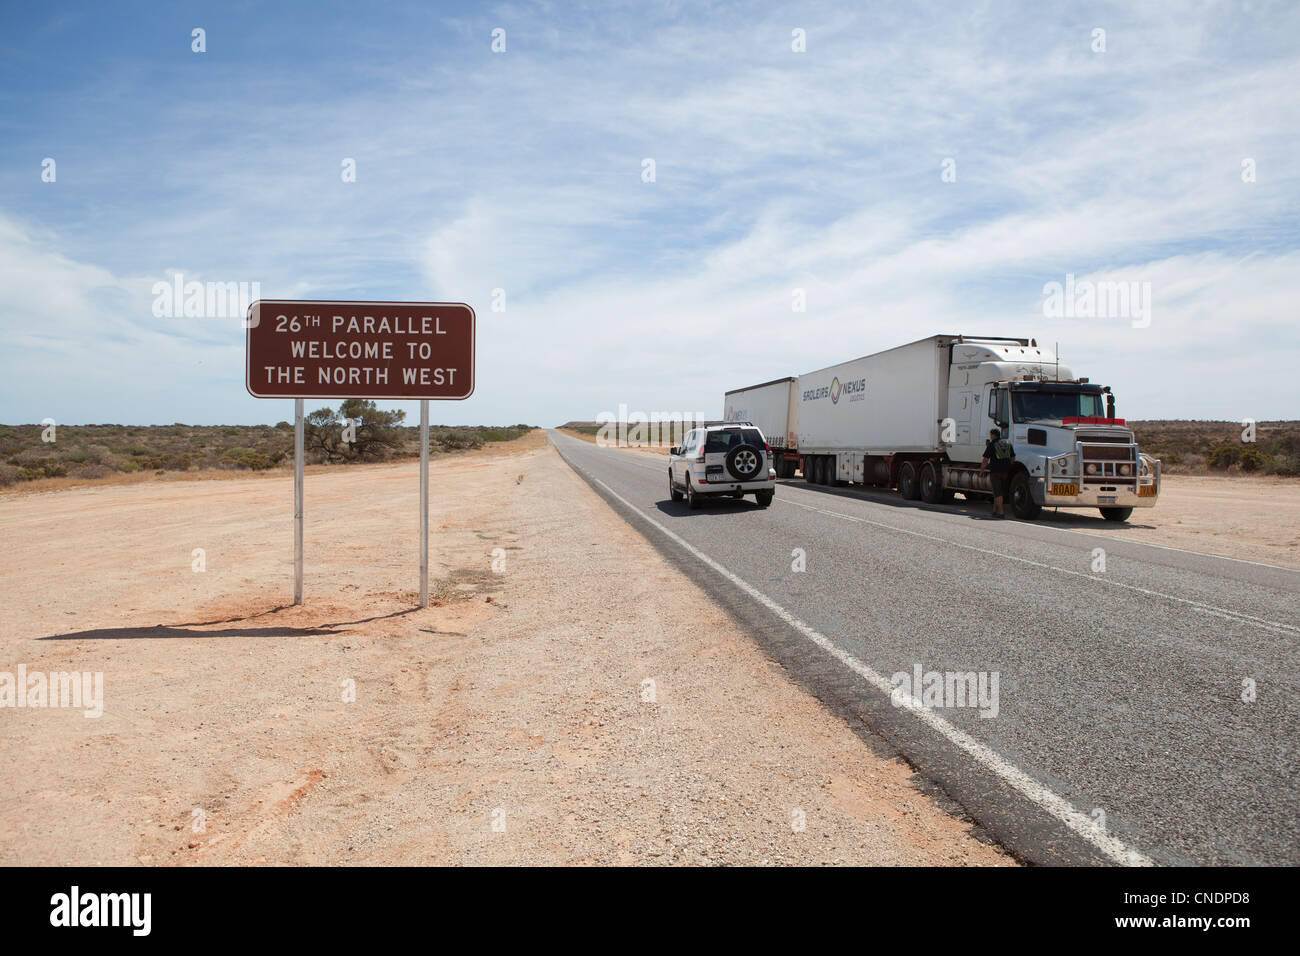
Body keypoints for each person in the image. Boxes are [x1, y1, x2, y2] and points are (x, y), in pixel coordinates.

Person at [979, 427, 1016, 518]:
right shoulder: (1007, 443)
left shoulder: (992, 444)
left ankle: (1001, 512)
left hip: (995, 471)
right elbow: (1013, 458)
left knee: (997, 491)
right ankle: (994, 510)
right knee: (999, 491)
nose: (990, 436)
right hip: (1006, 471)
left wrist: (982, 470)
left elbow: (985, 459)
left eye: (990, 435)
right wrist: (1008, 466)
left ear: (992, 435)